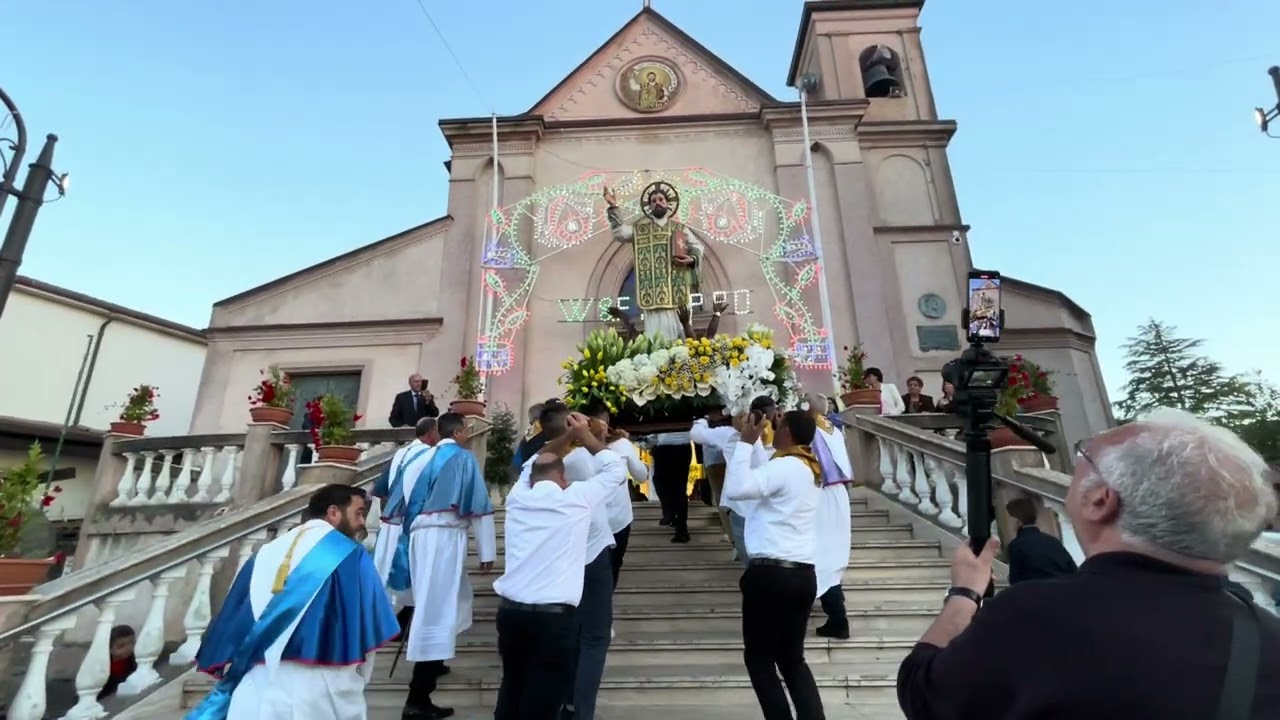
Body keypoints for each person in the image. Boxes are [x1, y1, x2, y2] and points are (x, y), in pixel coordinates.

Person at [896, 408, 1280, 719]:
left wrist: (964, 592)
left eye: (1085, 455)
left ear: (1100, 501)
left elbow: (923, 694)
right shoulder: (1268, 636)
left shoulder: (1032, 618)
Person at [191, 484, 398, 720]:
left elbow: (233, 616)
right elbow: (366, 625)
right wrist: (359, 676)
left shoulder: (264, 553)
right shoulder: (352, 554)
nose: (363, 522)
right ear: (333, 513)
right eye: (359, 513)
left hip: (255, 687)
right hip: (321, 689)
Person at [493, 415, 628, 720]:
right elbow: (616, 469)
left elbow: (536, 460)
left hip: (511, 613)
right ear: (564, 479)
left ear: (533, 478)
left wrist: (566, 438)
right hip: (552, 620)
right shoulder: (576, 500)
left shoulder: (517, 497)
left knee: (512, 687)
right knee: (542, 699)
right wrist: (586, 437)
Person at [387, 412, 497, 720]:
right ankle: (417, 698)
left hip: (417, 537)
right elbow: (478, 503)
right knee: (437, 609)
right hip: (444, 536)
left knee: (453, 600)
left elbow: (396, 503)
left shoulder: (417, 459)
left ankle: (434, 665)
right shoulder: (462, 458)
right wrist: (486, 549)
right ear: (460, 432)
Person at [725, 409, 826, 720]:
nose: (773, 428)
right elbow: (755, 489)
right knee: (792, 659)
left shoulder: (787, 466)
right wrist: (754, 445)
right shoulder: (807, 469)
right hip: (802, 573)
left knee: (759, 659)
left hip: (772, 574)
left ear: (788, 434)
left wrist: (745, 442)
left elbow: (738, 488)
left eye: (778, 425)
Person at [604, 182, 702, 341]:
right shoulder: (641, 229)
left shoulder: (679, 229)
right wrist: (614, 207)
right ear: (649, 206)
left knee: (680, 338)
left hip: (676, 292)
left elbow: (697, 246)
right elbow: (620, 233)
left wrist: (691, 259)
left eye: (661, 199)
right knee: (655, 339)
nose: (657, 203)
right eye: (653, 201)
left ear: (668, 204)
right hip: (652, 295)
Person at [372, 417, 439, 635]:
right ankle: (401, 624)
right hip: (411, 524)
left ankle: (392, 622)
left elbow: (379, 488)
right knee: (411, 576)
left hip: (391, 523)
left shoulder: (399, 454)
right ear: (431, 433)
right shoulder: (431, 456)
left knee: (389, 574)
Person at [584, 401, 646, 589]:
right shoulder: (621, 445)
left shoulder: (575, 449)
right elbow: (642, 475)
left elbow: (641, 475)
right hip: (602, 518)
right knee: (609, 566)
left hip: (612, 519)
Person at [807, 392, 854, 640]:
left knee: (820, 557)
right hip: (838, 493)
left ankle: (838, 618)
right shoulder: (832, 426)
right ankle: (836, 612)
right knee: (830, 556)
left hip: (822, 493)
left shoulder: (811, 428)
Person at [1003, 496, 1078, 585]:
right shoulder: (1053, 541)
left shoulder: (1016, 545)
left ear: (1017, 519)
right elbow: (1073, 570)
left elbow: (1015, 581)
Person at [98, 625, 137, 699]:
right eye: (121, 646)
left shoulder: (133, 660)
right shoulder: (103, 666)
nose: (128, 648)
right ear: (109, 649)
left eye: (132, 643)